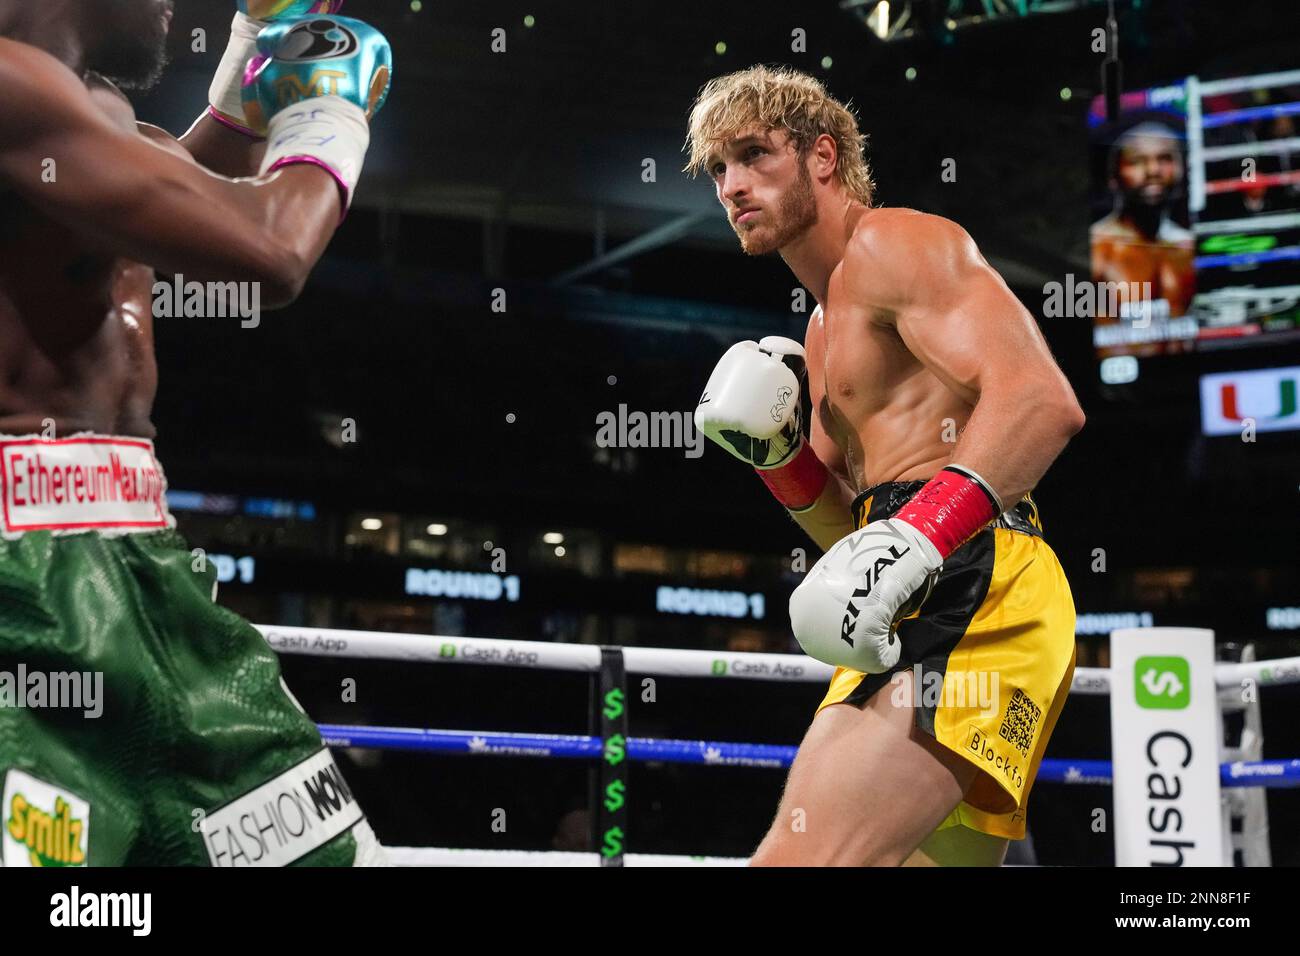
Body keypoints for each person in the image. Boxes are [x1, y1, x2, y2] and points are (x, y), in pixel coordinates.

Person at [0, 1, 391, 866]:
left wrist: (259, 59)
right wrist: (327, 108)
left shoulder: (79, 111)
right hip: (18, 587)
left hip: (147, 563)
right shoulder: (6, 88)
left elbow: (169, 187)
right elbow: (270, 247)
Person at [687, 66, 1084, 866]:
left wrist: (919, 539)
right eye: (719, 169)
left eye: (755, 155)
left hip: (976, 581)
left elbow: (1043, 401)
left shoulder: (896, 243)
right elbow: (849, 529)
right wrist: (779, 459)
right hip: (923, 591)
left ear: (822, 158)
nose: (732, 185)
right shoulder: (822, 333)